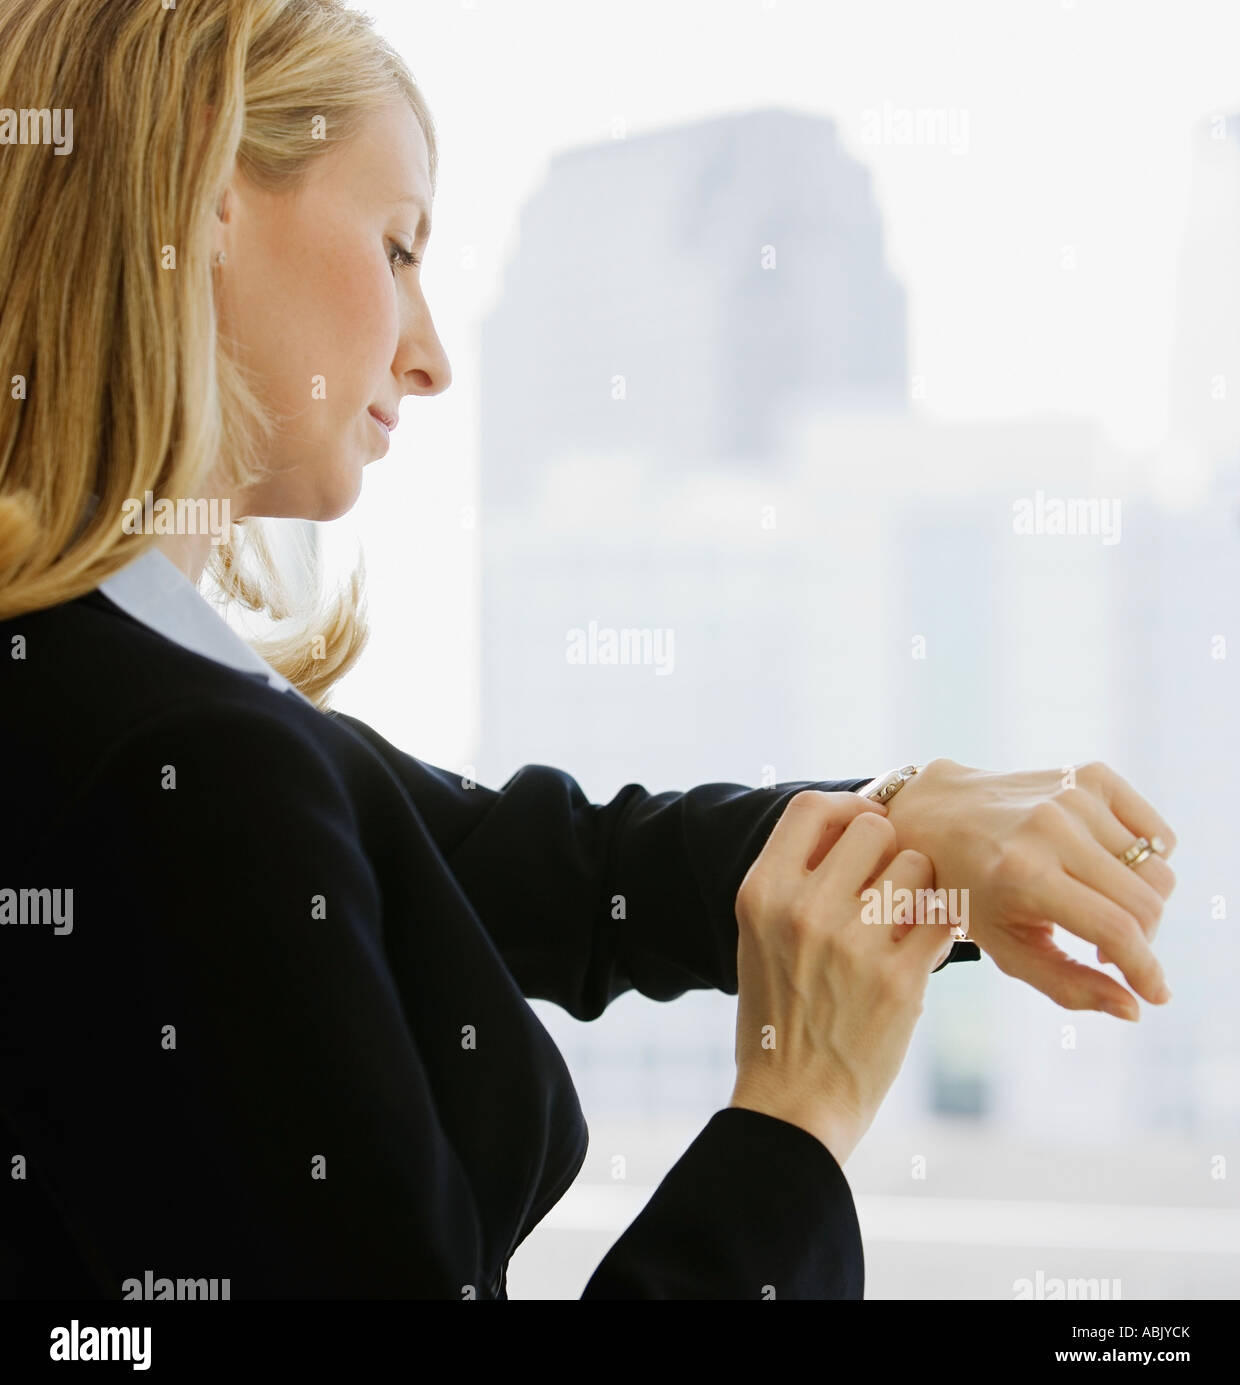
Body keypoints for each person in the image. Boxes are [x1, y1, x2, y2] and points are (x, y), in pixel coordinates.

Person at [0, 0, 1177, 1300]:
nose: (432, 355)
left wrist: (904, 830)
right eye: (397, 246)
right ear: (199, 188)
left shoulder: (107, 696)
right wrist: (800, 1114)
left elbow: (559, 872)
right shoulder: (188, 762)